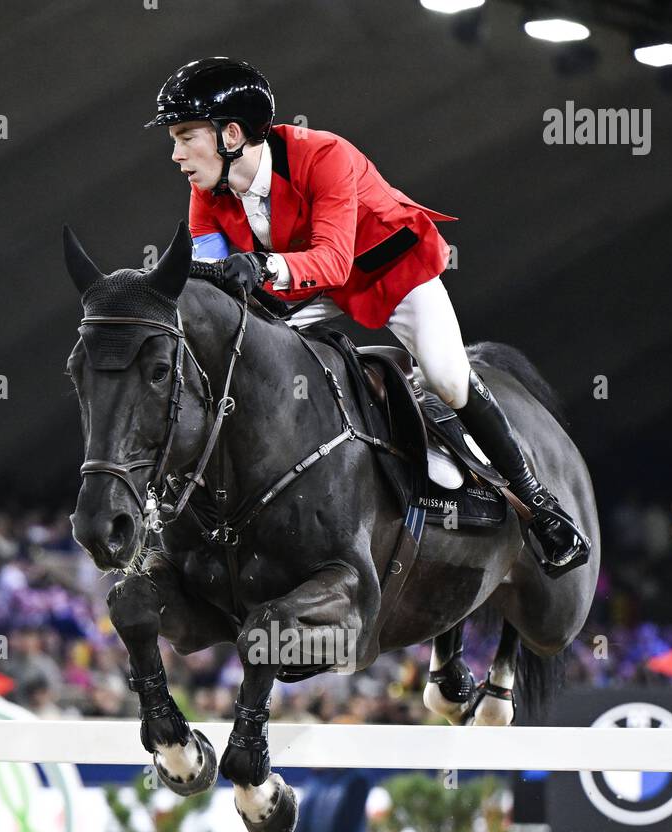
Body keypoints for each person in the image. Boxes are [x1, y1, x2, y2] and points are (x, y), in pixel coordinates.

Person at [145, 56, 590, 577]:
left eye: (184, 137)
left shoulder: (325, 155)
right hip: (306, 284)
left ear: (232, 133)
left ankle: (540, 506)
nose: (176, 155)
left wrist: (259, 265)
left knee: (447, 379)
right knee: (243, 355)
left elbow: (334, 260)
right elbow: (218, 281)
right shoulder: (207, 191)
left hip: (389, 270)